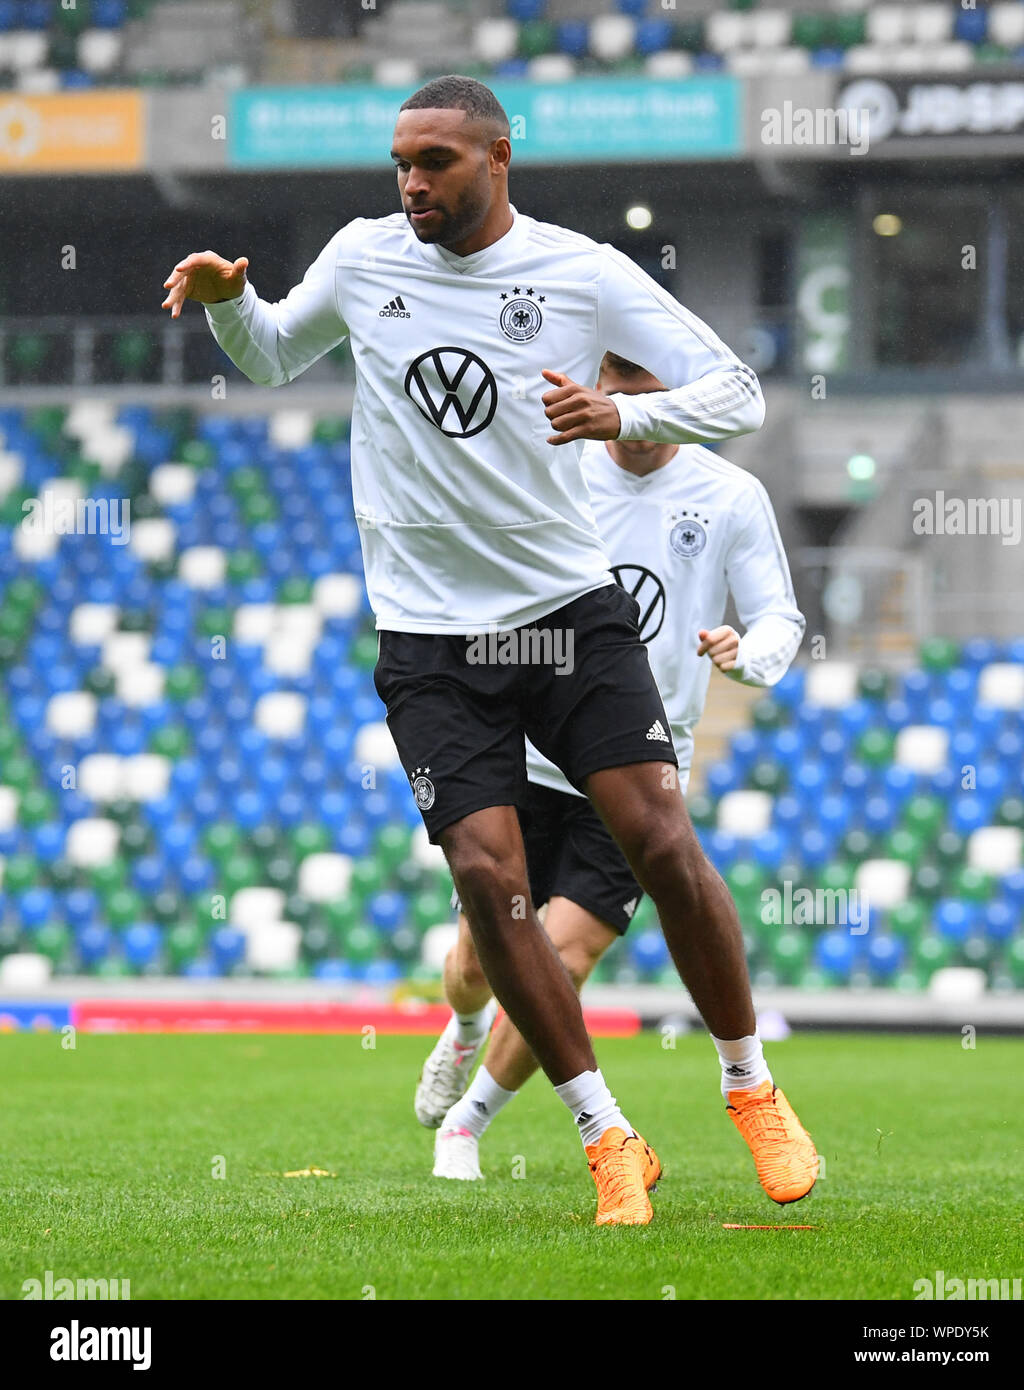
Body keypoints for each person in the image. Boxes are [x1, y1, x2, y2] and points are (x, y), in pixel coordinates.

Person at [162, 75, 772, 1226]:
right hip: (430, 632)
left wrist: (628, 417)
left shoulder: (579, 271)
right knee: (490, 887)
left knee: (660, 840)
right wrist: (230, 305)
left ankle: (749, 1083)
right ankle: (605, 1135)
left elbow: (733, 389)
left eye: (436, 160)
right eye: (400, 161)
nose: (411, 183)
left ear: (498, 158)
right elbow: (276, 357)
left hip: (561, 608)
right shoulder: (362, 255)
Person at [417, 351, 817, 1204]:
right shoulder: (554, 474)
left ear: (677, 397)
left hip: (636, 761)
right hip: (525, 753)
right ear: (595, 390)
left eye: (650, 396)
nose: (632, 412)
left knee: (564, 956)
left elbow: (779, 612)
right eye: (618, 393)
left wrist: (751, 656)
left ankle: (468, 1123)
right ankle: (460, 1025)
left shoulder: (727, 495)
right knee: (475, 965)